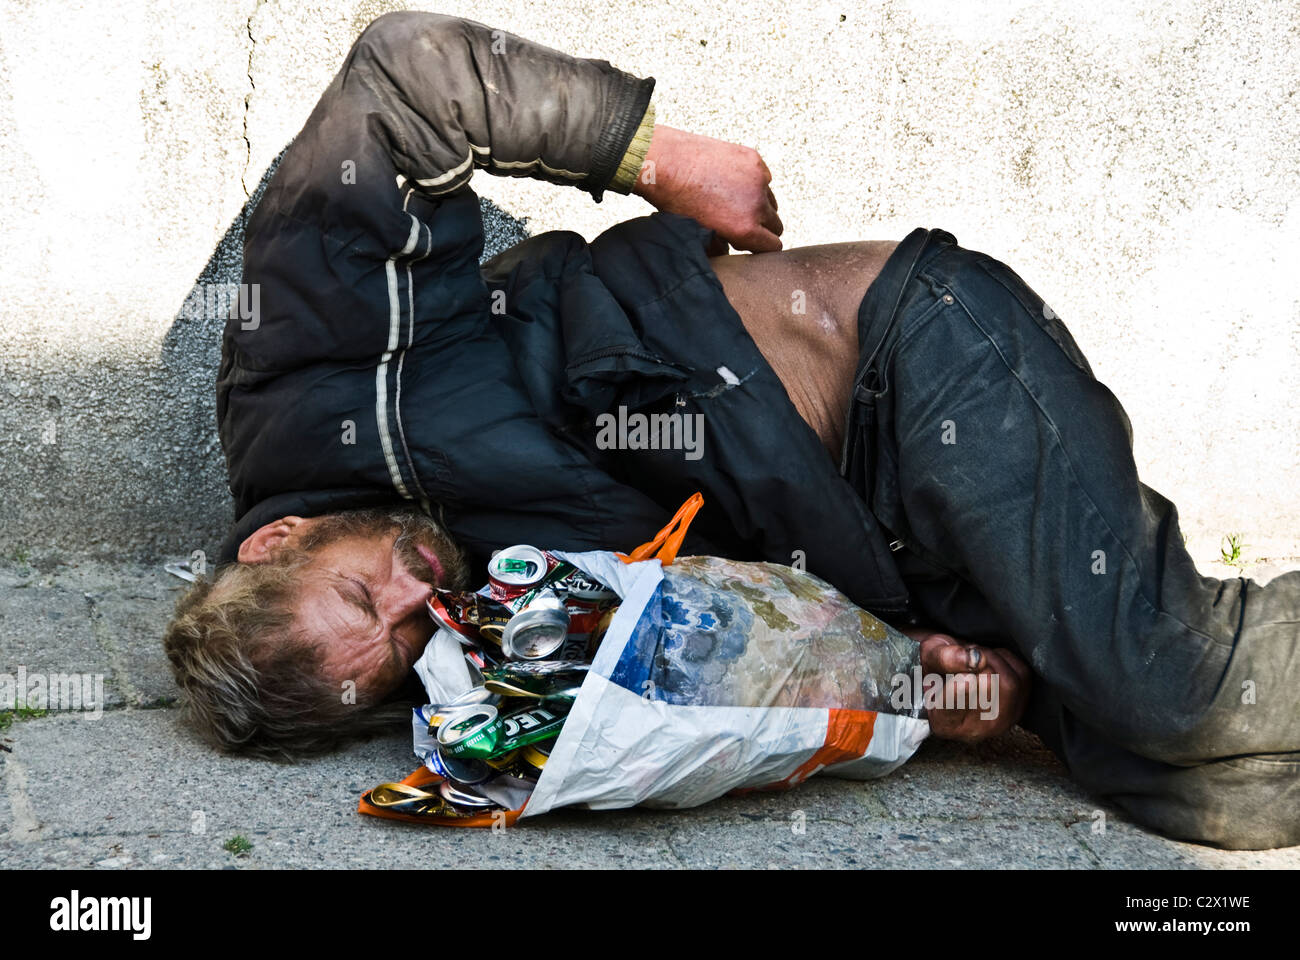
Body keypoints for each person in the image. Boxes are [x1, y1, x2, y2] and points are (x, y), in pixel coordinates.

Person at [164, 11, 1298, 849]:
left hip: (912, 367)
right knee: (1186, 783)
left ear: (276, 542)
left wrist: (648, 154)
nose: (419, 601)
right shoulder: (475, 658)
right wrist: (917, 689)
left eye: (366, 595)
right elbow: (723, 666)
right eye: (402, 646)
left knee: (1171, 687)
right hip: (886, 547)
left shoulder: (313, 376)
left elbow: (399, 77)